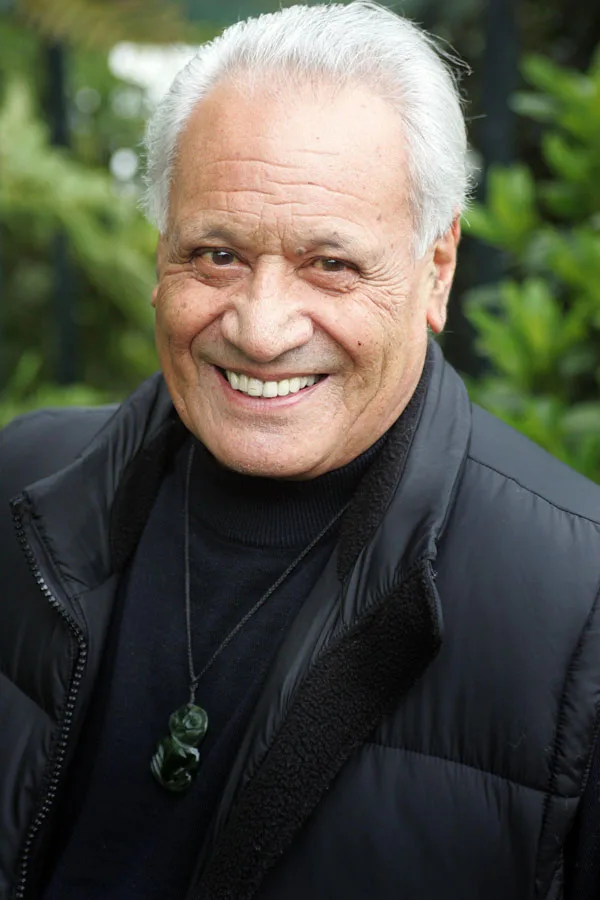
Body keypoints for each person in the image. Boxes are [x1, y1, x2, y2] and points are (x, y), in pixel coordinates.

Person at [1, 2, 600, 898]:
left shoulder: (580, 607)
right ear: (161, 252)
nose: (262, 327)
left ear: (436, 271)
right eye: (217, 254)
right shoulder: (21, 483)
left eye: (331, 264)